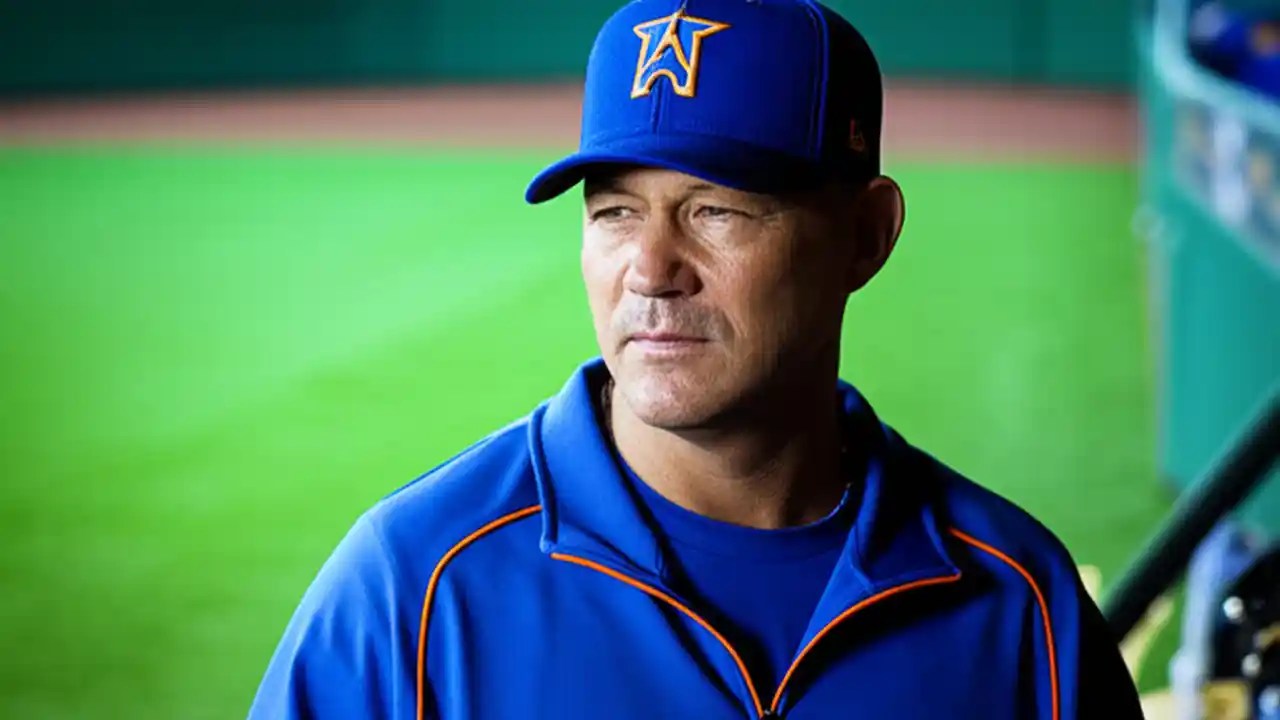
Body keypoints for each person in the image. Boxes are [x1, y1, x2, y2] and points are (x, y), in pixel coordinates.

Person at [248, 0, 1146, 717]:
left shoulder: (1017, 600)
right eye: (613, 212)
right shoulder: (414, 589)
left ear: (866, 237)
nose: (650, 269)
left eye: (717, 210)